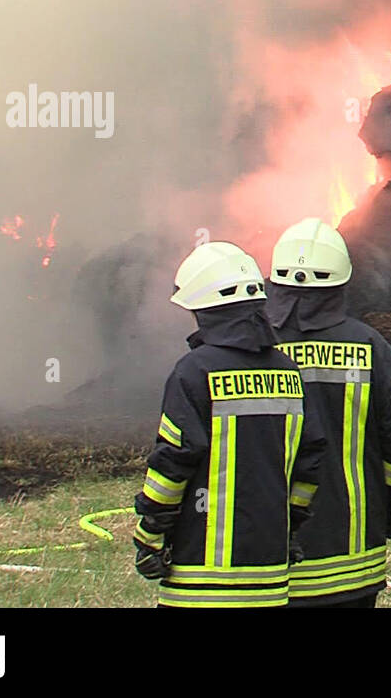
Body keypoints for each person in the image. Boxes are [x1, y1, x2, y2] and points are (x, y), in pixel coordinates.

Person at [133, 241, 325, 608]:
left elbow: (173, 462)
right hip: (270, 575)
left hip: (201, 574)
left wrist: (150, 534)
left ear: (205, 310)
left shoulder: (194, 372)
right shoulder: (287, 371)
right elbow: (310, 460)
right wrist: (291, 525)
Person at [267, 218, 391, 608]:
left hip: (265, 554)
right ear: (341, 283)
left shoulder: (250, 349)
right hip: (353, 551)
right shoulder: (372, 348)